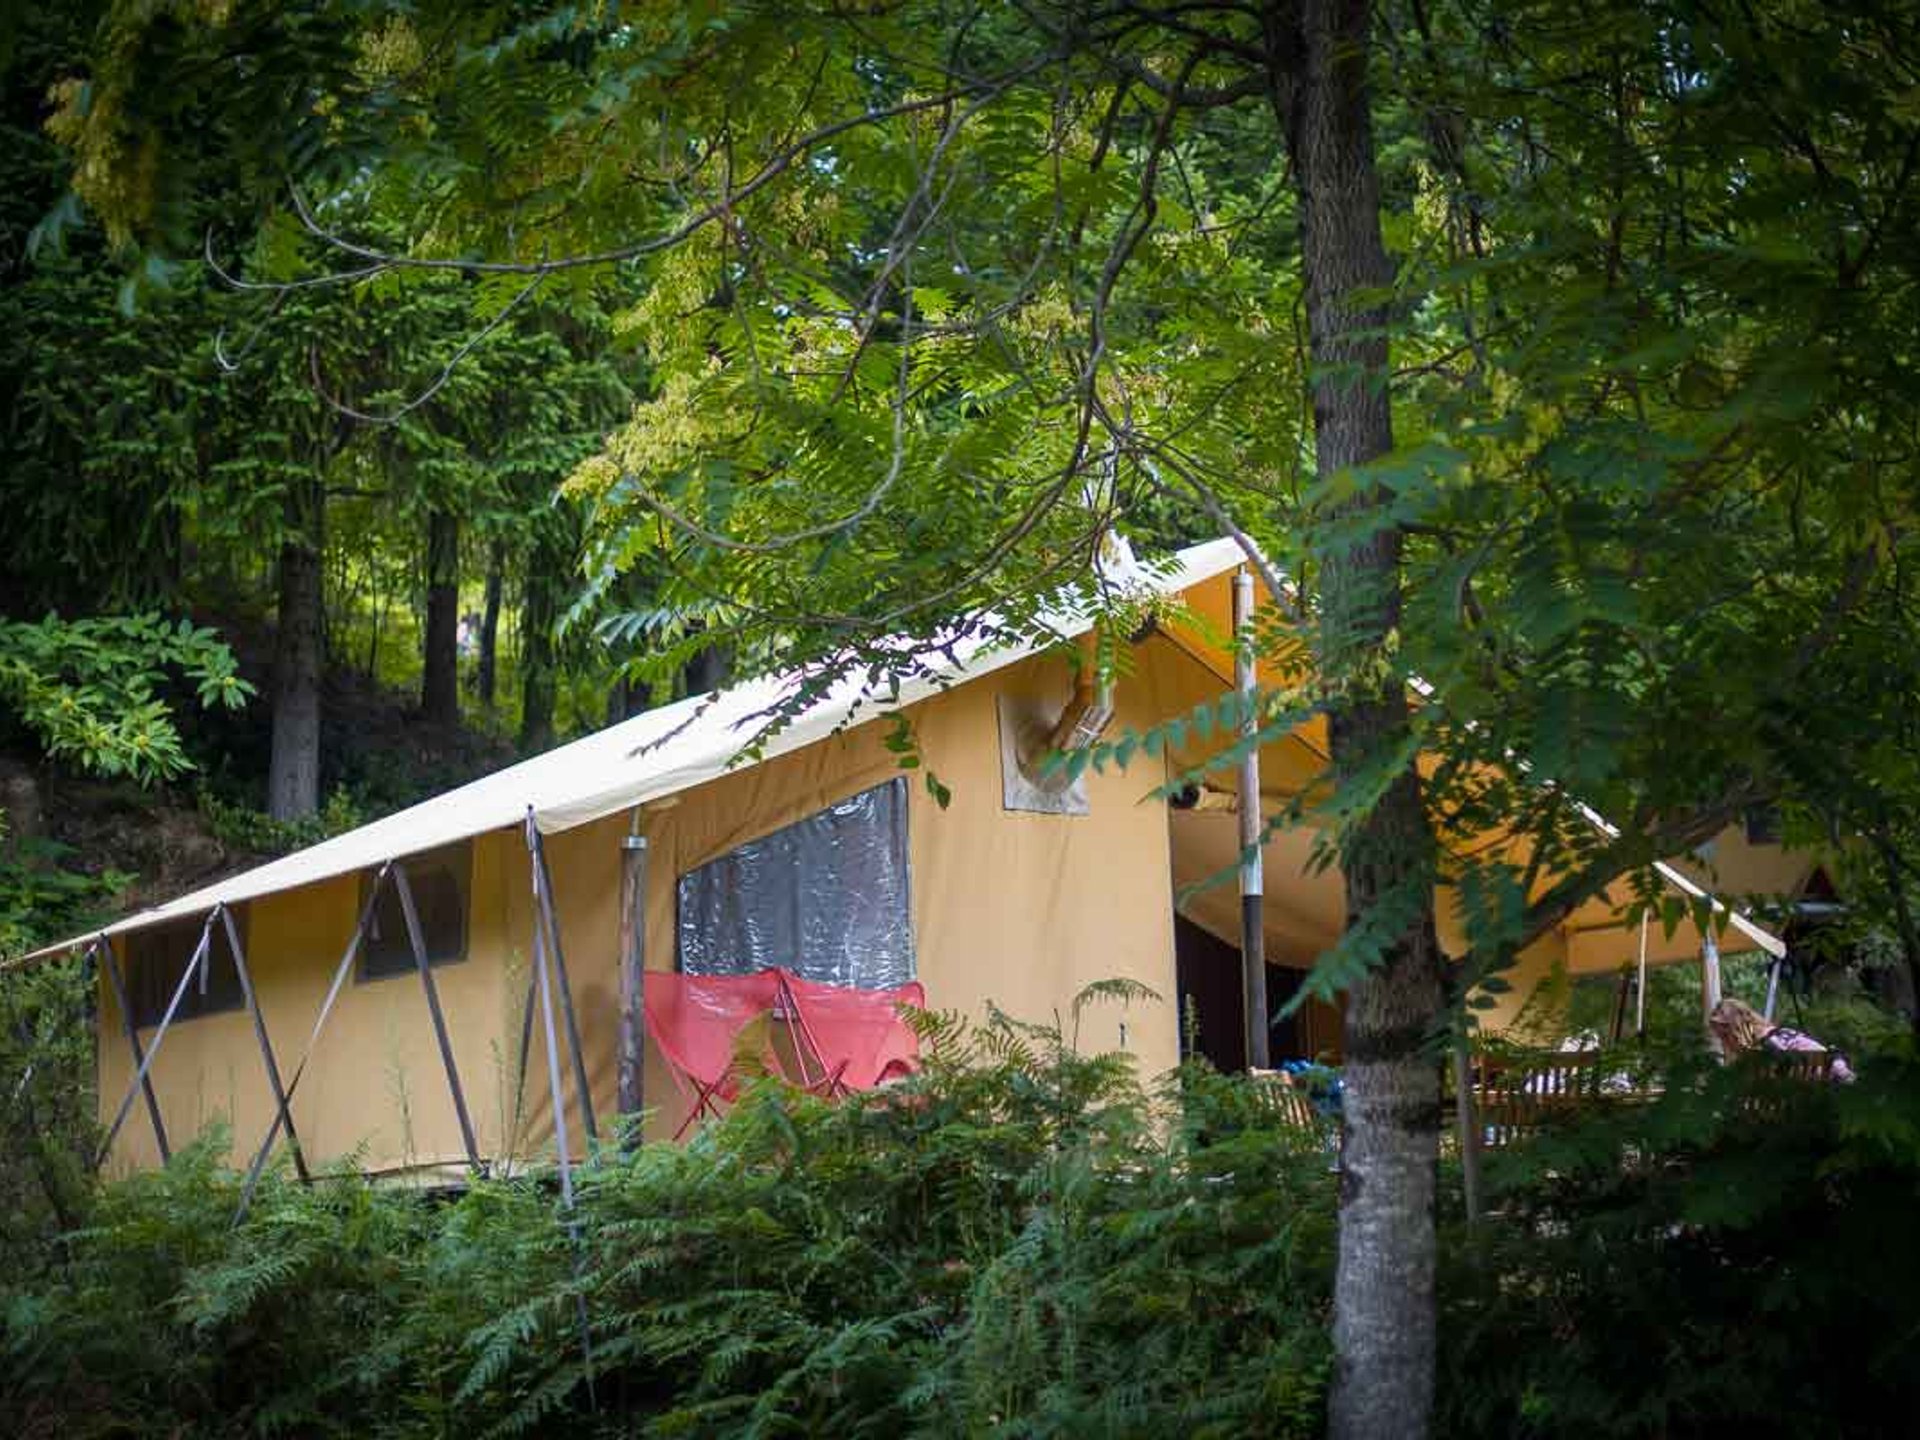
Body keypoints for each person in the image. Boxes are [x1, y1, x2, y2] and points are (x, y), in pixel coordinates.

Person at [1708, 996, 1855, 1082]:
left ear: (1737, 1027)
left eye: (1725, 1036)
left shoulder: (1766, 1046)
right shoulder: (1779, 1034)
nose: (1724, 1043)